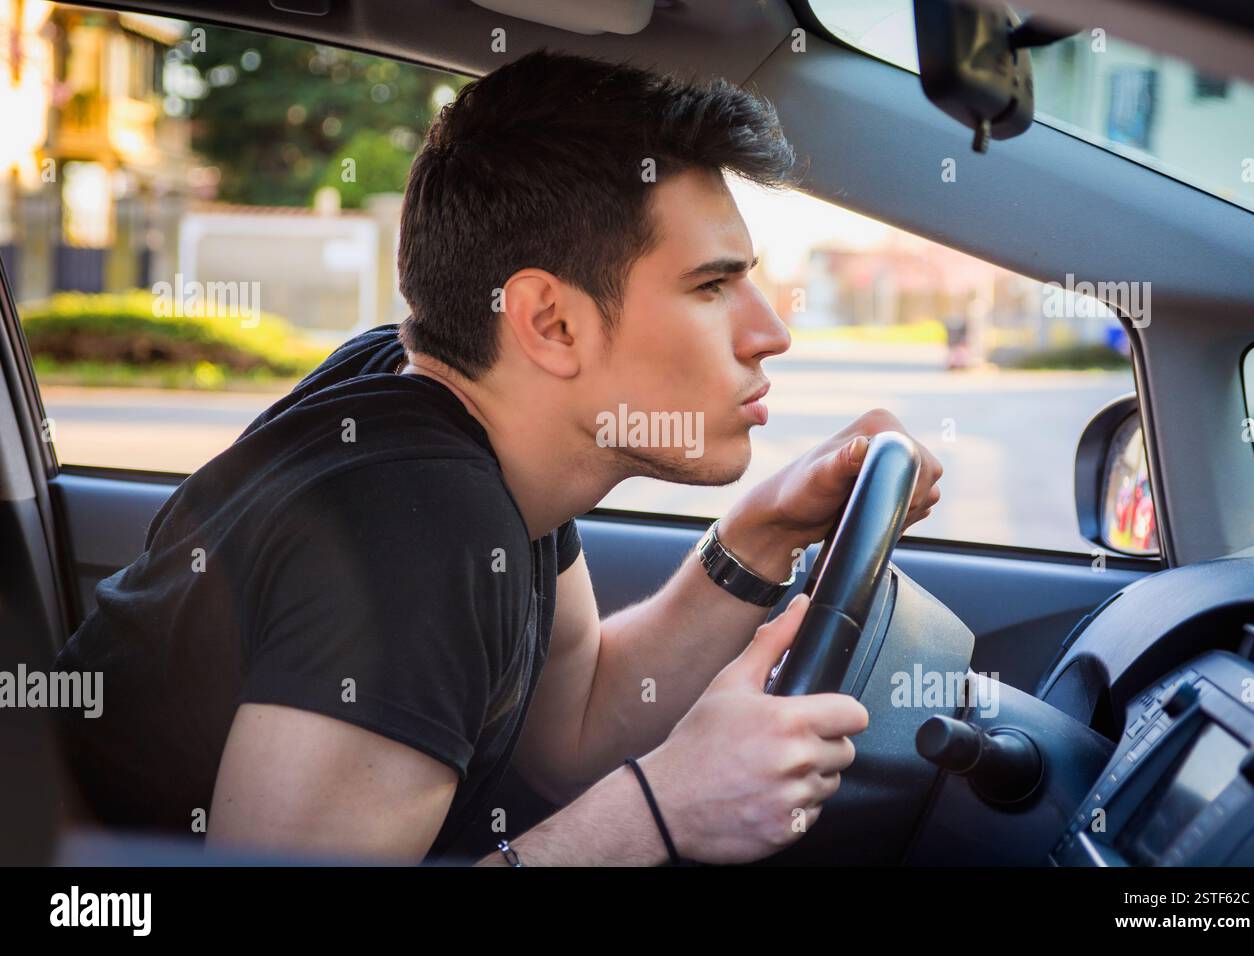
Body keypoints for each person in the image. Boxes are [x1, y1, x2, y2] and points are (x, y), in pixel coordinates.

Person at [54, 49, 941, 866]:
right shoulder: (417, 531)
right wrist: (663, 812)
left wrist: (758, 538)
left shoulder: (434, 403)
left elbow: (574, 723)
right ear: (549, 323)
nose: (771, 332)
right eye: (712, 285)